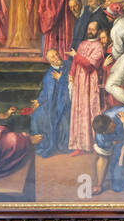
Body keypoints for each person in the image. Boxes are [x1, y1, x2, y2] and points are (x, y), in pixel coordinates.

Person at [68, 24, 108, 153]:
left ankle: (90, 144)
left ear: (97, 31)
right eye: (88, 28)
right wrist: (71, 75)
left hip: (89, 81)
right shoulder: (82, 44)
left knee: (89, 110)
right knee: (78, 111)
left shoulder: (98, 47)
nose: (90, 31)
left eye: (93, 29)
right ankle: (79, 145)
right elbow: (75, 63)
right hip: (79, 82)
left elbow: (90, 65)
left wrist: (76, 56)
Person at [30, 48, 71, 158]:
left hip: (68, 100)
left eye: (57, 54)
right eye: (53, 57)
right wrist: (39, 101)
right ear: (49, 61)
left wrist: (61, 78)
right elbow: (46, 91)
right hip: (54, 102)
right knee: (38, 115)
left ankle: (63, 144)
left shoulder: (69, 65)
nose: (57, 57)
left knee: (63, 118)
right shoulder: (49, 75)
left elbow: (75, 80)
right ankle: (46, 143)